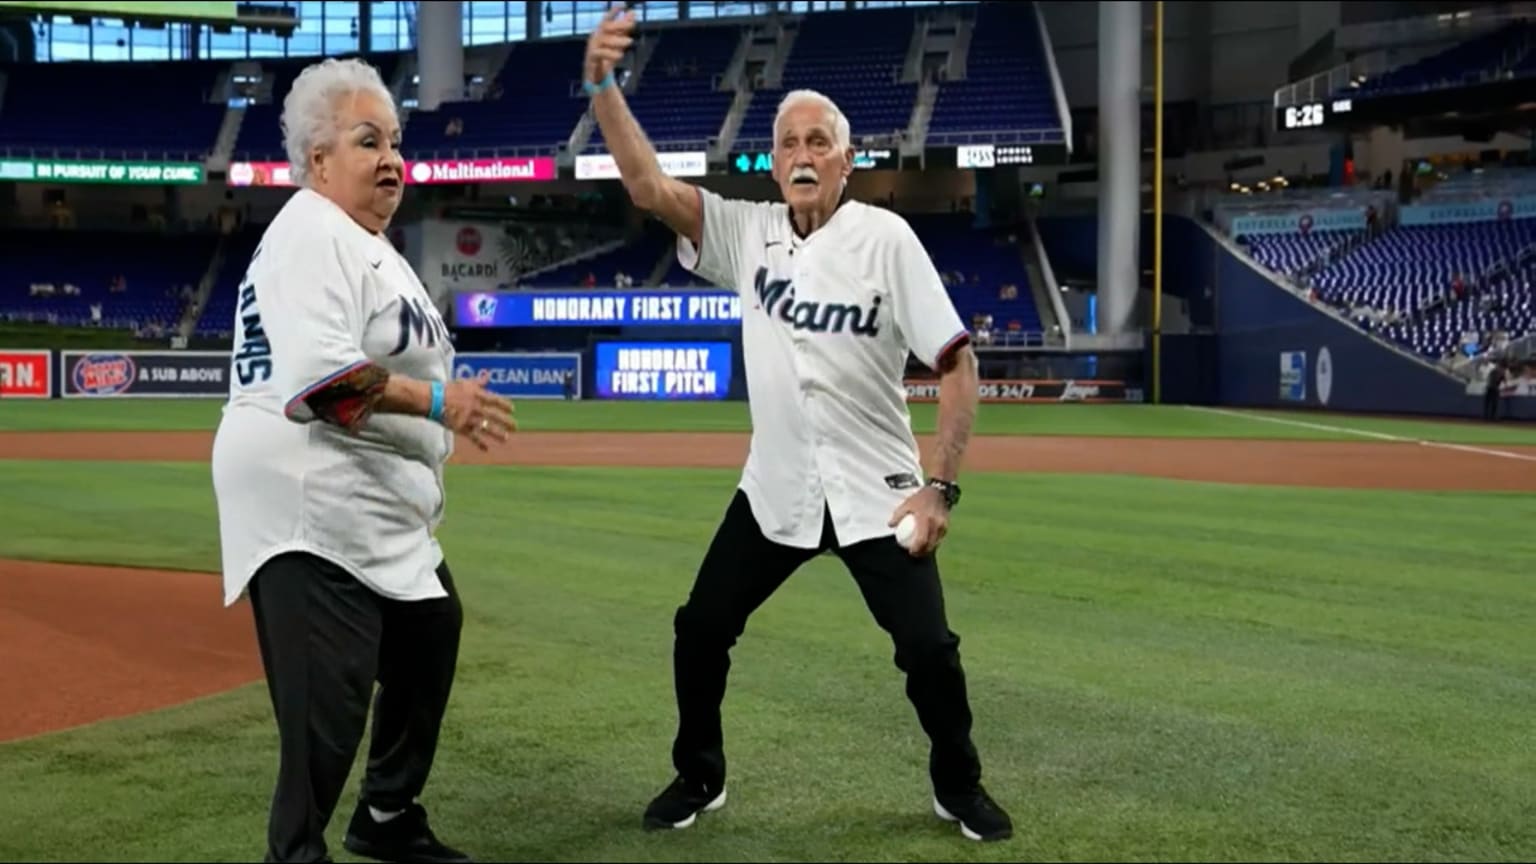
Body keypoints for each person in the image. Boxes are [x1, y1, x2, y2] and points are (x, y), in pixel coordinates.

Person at [583, 4, 1012, 843]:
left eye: (820, 142)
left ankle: (956, 783)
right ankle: (698, 775)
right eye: (790, 142)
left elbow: (958, 365)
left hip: (877, 492)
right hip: (775, 487)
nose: (804, 155)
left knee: (929, 651)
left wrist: (940, 486)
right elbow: (647, 187)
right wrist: (601, 83)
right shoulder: (748, 233)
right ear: (772, 160)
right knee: (700, 627)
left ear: (847, 162)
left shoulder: (886, 239)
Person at [210, 57, 515, 864]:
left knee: (430, 629)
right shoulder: (312, 229)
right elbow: (324, 386)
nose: (391, 158)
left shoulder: (365, 242)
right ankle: (296, 852)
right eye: (366, 140)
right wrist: (439, 403)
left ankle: (384, 817)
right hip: (311, 498)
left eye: (395, 141)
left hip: (373, 500)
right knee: (327, 711)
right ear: (317, 162)